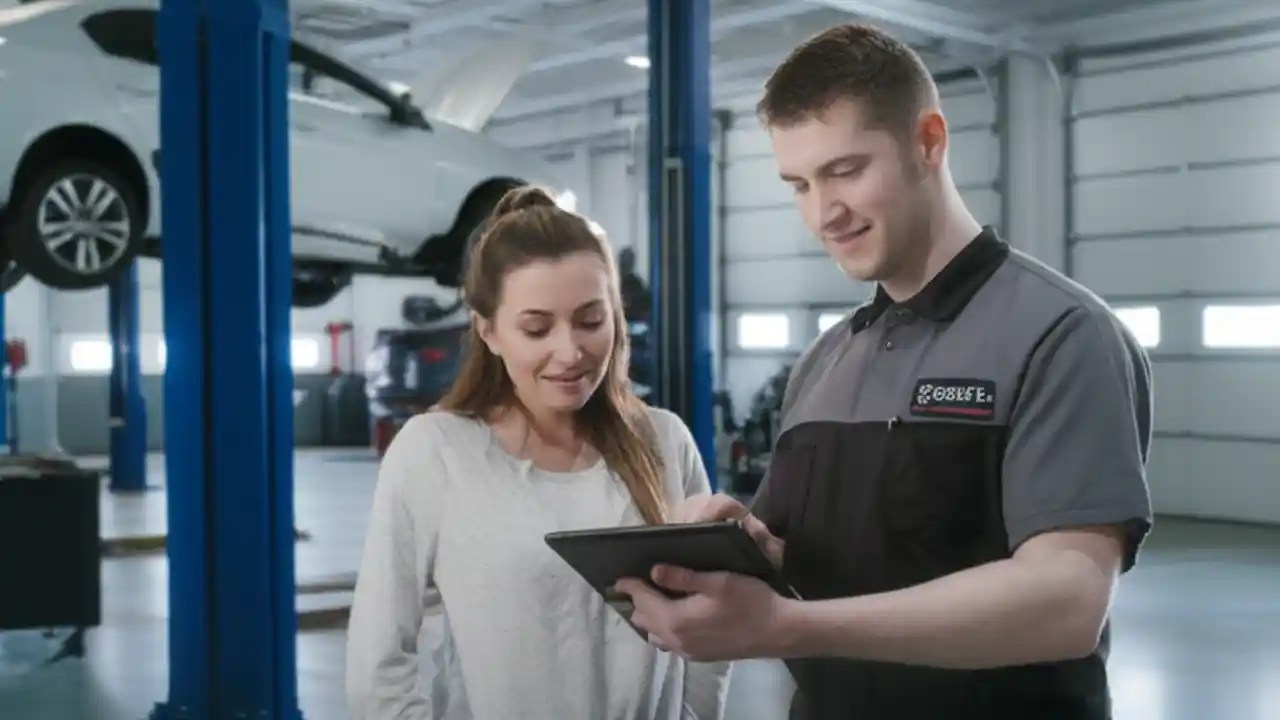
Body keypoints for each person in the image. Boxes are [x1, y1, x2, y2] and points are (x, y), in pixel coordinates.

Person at [616, 22, 1154, 719]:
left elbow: (1066, 601)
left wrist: (786, 627)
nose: (822, 214)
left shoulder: (1060, 335)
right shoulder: (825, 361)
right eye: (799, 184)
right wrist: (745, 544)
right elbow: (818, 559)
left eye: (845, 171)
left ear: (928, 142)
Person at [345, 186, 731, 719]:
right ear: (489, 332)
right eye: (536, 328)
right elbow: (377, 660)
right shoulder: (436, 451)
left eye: (591, 320)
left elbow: (708, 629)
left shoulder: (664, 441)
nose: (570, 352)